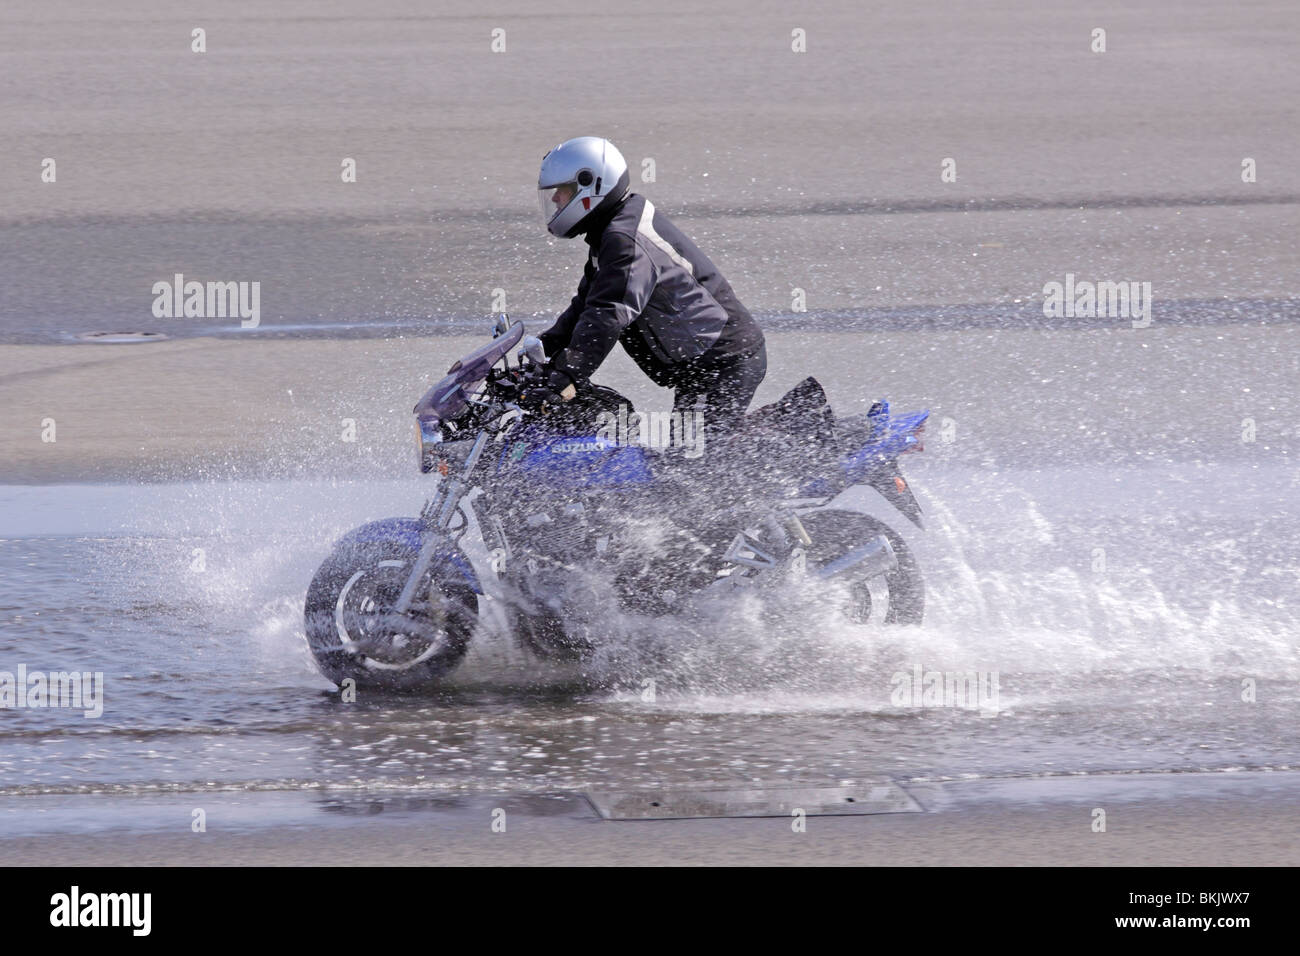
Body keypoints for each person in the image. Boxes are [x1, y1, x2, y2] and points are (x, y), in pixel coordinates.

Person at [528, 136, 766, 441]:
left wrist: (569, 371)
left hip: (724, 362)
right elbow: (586, 304)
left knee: (699, 471)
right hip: (703, 366)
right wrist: (544, 349)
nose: (557, 201)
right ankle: (794, 429)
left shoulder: (624, 239)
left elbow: (609, 313)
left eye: (562, 192)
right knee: (688, 459)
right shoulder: (612, 230)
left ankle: (805, 438)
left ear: (590, 185)